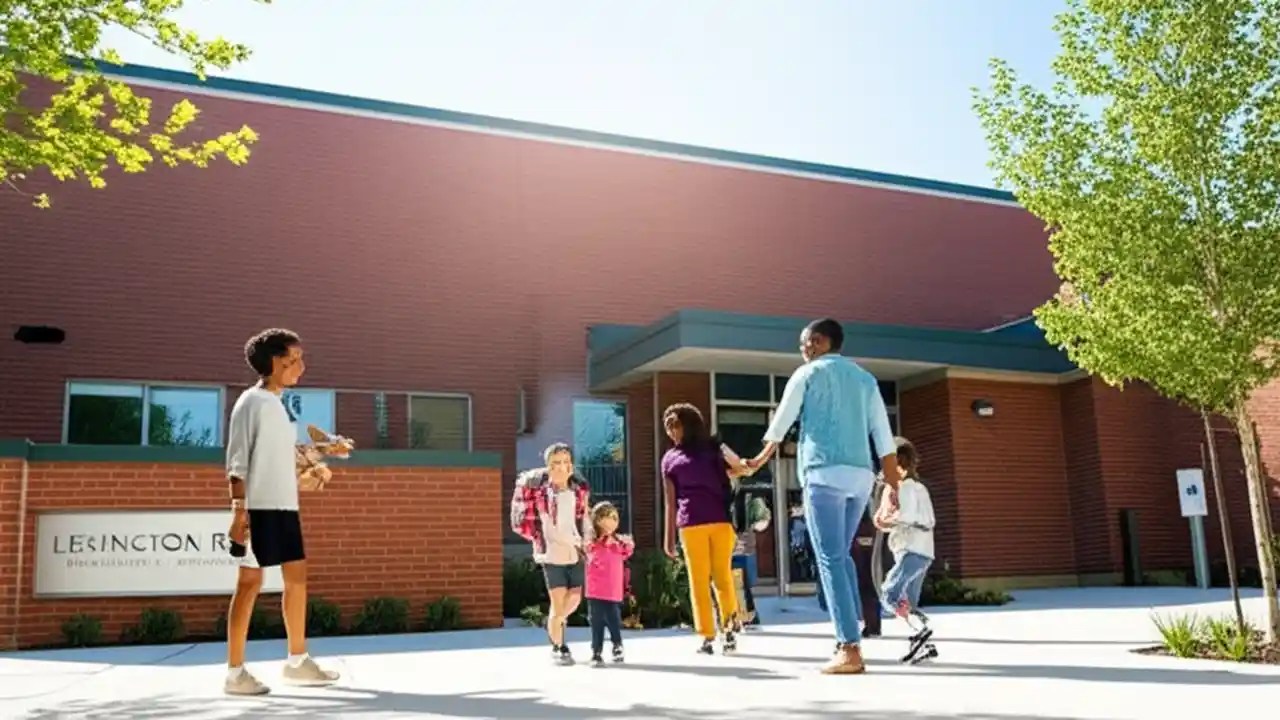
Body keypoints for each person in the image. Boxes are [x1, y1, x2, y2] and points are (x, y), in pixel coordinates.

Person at [746, 318, 900, 675]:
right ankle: (852, 630)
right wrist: (892, 484)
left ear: (821, 341)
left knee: (829, 557)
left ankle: (849, 647)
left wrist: (755, 462)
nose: (804, 349)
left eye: (807, 342)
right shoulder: (866, 379)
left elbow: (781, 423)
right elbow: (882, 431)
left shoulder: (807, 374)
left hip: (823, 472)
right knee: (841, 554)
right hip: (860, 476)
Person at [224, 328, 340, 696]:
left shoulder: (278, 405)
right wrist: (239, 514)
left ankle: (297, 662)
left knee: (297, 579)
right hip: (258, 508)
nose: (301, 367)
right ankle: (234, 673)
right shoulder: (251, 402)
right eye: (295, 360)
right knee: (249, 585)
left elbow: (283, 458)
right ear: (275, 362)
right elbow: (237, 462)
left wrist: (323, 454)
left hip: (285, 506)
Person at [661, 403, 752, 654]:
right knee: (698, 580)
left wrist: (739, 462)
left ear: (689, 424)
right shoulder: (669, 459)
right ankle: (707, 635)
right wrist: (668, 539)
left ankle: (730, 630)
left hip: (721, 521)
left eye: (675, 425)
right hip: (689, 523)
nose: (671, 431)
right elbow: (670, 501)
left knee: (722, 577)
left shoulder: (714, 448)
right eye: (667, 426)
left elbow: (742, 468)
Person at [510, 442, 592, 665]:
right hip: (552, 553)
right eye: (555, 463)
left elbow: (584, 517)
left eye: (565, 463)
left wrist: (587, 541)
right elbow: (535, 522)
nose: (561, 468)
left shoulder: (579, 490)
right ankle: (559, 645)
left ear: (571, 466)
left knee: (574, 597)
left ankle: (555, 623)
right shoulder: (541, 493)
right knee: (558, 600)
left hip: (575, 552)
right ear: (548, 466)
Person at [874, 438, 935, 619]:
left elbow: (906, 517)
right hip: (924, 552)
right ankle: (919, 628)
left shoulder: (906, 488)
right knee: (909, 601)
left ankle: (911, 620)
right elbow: (926, 518)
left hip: (910, 550)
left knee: (889, 594)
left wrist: (887, 521)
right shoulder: (919, 488)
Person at [583, 501, 634, 667]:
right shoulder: (592, 543)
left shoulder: (619, 543)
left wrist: (617, 541)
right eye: (605, 517)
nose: (610, 522)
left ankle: (617, 645)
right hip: (596, 589)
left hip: (612, 589)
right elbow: (589, 552)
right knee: (596, 621)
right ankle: (596, 651)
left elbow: (628, 550)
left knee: (613, 619)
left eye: (613, 518)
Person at [730, 493, 771, 627]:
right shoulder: (747, 492)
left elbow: (761, 521)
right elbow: (762, 521)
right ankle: (745, 615)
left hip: (738, 545)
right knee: (739, 581)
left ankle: (745, 615)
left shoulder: (746, 493)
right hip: (738, 544)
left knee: (739, 581)